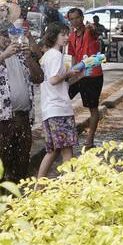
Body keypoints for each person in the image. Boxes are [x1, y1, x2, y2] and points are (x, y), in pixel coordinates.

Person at [0, 22, 44, 186]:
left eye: (12, 35)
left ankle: (13, 206)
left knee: (20, 167)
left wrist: (29, 58)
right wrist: (3, 56)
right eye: (5, 36)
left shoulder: (22, 56)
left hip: (22, 119)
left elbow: (39, 78)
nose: (9, 40)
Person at [38, 24, 81, 177]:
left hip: (50, 108)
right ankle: (69, 186)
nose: (66, 37)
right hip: (59, 108)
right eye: (62, 35)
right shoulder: (56, 55)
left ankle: (38, 187)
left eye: (66, 34)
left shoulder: (47, 55)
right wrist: (68, 73)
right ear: (53, 36)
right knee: (67, 149)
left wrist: (74, 75)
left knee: (53, 150)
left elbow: (60, 81)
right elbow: (54, 80)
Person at [66, 8, 103, 148]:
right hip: (79, 75)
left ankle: (90, 140)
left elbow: (94, 32)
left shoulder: (90, 31)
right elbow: (74, 56)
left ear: (82, 17)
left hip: (93, 75)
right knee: (63, 98)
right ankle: (66, 133)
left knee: (93, 108)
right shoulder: (71, 36)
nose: (75, 21)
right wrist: (71, 73)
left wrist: (92, 27)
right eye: (72, 19)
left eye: (77, 18)